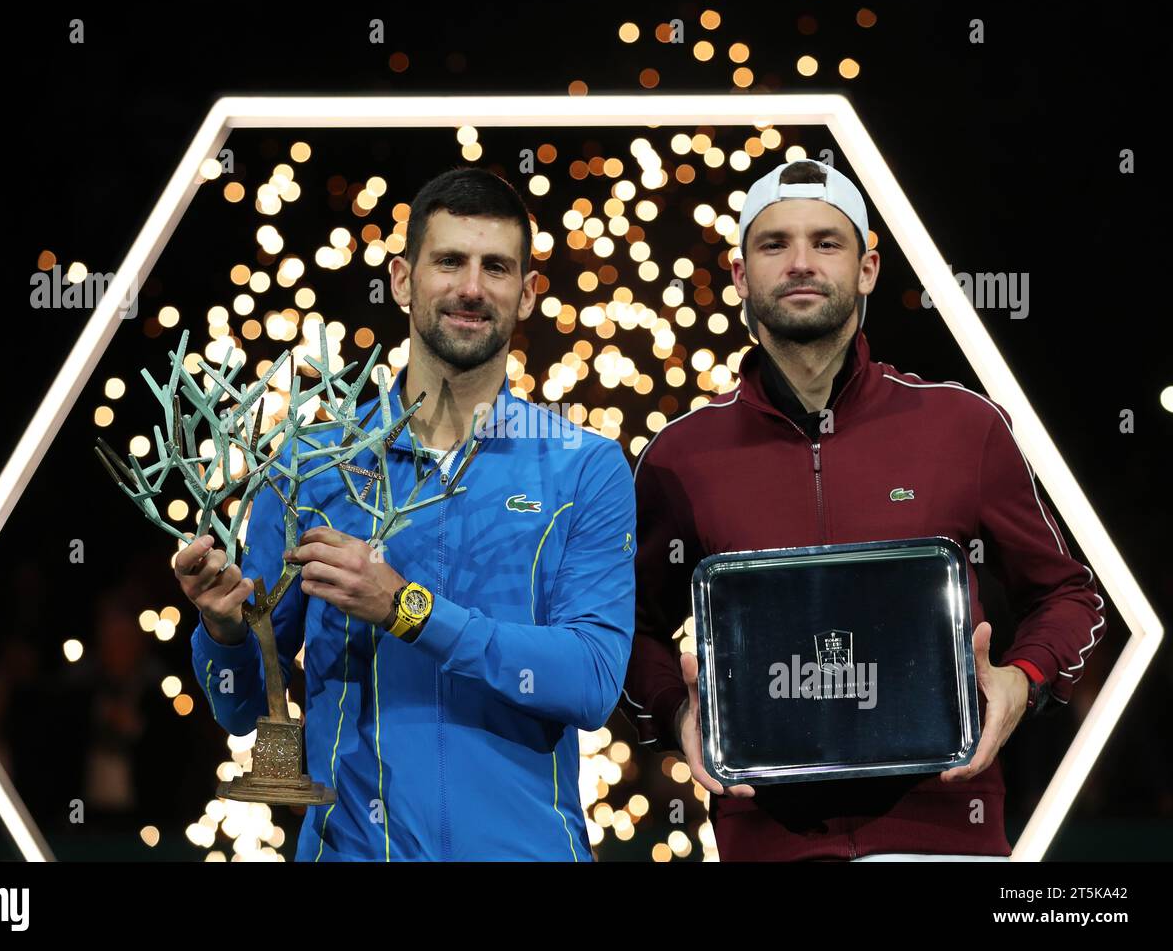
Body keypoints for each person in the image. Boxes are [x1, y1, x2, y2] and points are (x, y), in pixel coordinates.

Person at [620, 158, 1105, 860]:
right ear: (739, 276)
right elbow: (623, 626)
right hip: (765, 840)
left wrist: (1020, 682)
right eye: (774, 243)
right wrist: (678, 712)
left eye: (826, 242)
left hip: (945, 835)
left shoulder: (963, 426)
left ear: (869, 267)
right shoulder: (679, 456)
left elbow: (1069, 594)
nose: (800, 263)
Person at [179, 167, 636, 860]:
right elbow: (243, 707)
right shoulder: (310, 465)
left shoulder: (585, 465)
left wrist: (409, 611)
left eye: (497, 268)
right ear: (401, 280)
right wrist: (223, 634)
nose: (472, 289)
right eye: (449, 261)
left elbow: (593, 680)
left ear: (528, 294)